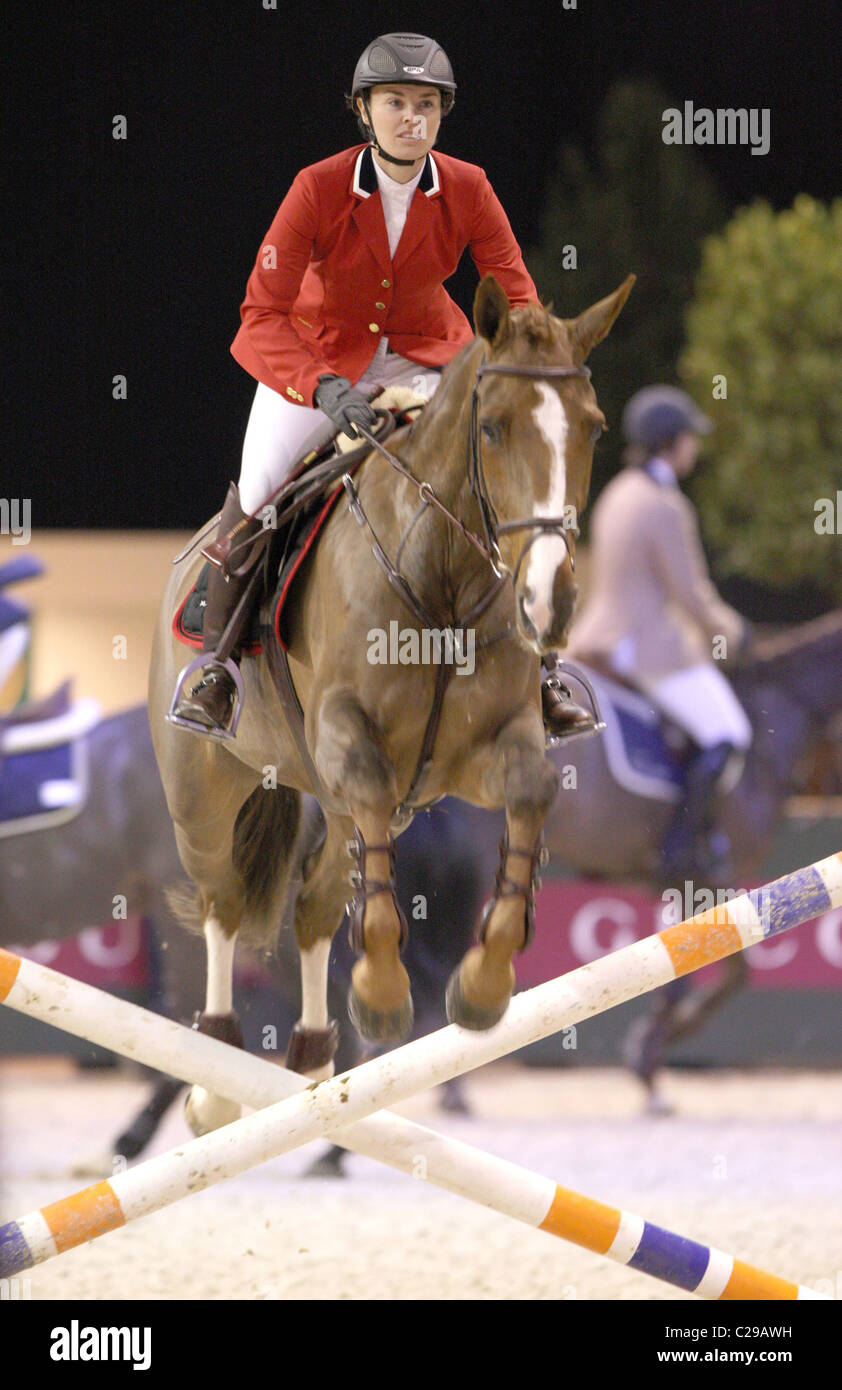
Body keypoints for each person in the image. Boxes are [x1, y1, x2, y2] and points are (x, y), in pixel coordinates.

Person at [172, 31, 593, 740]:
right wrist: (321, 388)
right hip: (319, 356)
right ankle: (218, 668)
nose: (411, 117)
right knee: (261, 484)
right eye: (395, 102)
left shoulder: (469, 186)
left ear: (441, 114)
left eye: (426, 104)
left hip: (429, 357)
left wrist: (540, 366)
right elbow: (260, 313)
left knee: (496, 478)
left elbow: (519, 300)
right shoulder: (318, 186)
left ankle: (541, 674)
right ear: (364, 112)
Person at [567, 386, 753, 880]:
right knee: (730, 732)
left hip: (594, 639)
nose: (694, 445)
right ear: (672, 441)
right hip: (643, 647)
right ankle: (680, 846)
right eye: (690, 436)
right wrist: (733, 632)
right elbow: (691, 595)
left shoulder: (617, 493)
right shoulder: (665, 504)